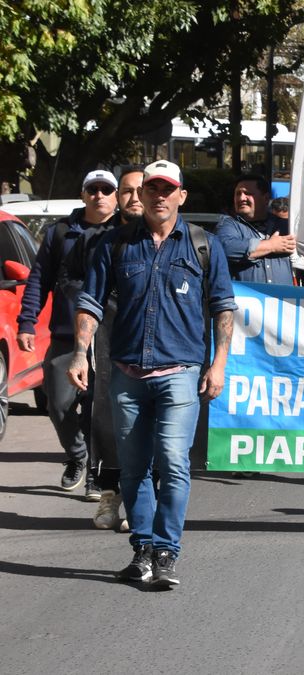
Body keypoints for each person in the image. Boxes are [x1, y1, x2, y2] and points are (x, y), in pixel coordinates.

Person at [69, 160, 237, 588]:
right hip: (126, 372)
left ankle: (166, 552)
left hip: (180, 372)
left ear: (181, 196)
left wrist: (219, 364)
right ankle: (142, 550)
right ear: (140, 195)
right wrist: (79, 353)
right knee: (132, 468)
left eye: (168, 189)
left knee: (173, 462)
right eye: (152, 188)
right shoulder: (117, 244)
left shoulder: (204, 244)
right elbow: (90, 300)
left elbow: (223, 307)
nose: (160, 196)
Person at [17, 170, 120, 497]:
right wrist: (27, 322)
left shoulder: (126, 233)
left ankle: (95, 473)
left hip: (109, 339)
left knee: (98, 411)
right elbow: (38, 280)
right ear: (83, 194)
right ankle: (78, 455)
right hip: (66, 336)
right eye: (93, 189)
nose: (99, 195)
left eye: (107, 190)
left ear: (116, 197)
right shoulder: (60, 232)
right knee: (58, 405)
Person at [89, 168, 145, 532]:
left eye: (143, 190)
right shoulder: (103, 243)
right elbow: (82, 290)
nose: (136, 198)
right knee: (109, 420)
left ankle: (140, 502)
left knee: (151, 426)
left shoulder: (180, 240)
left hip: (162, 352)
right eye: (127, 191)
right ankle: (109, 493)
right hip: (112, 343)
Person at [214, 174, 294, 285]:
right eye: (238, 194)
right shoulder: (228, 225)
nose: (241, 198)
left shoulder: (285, 226)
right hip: (244, 301)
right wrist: (271, 246)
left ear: (265, 198)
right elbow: (226, 248)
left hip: (282, 301)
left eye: (248, 193)